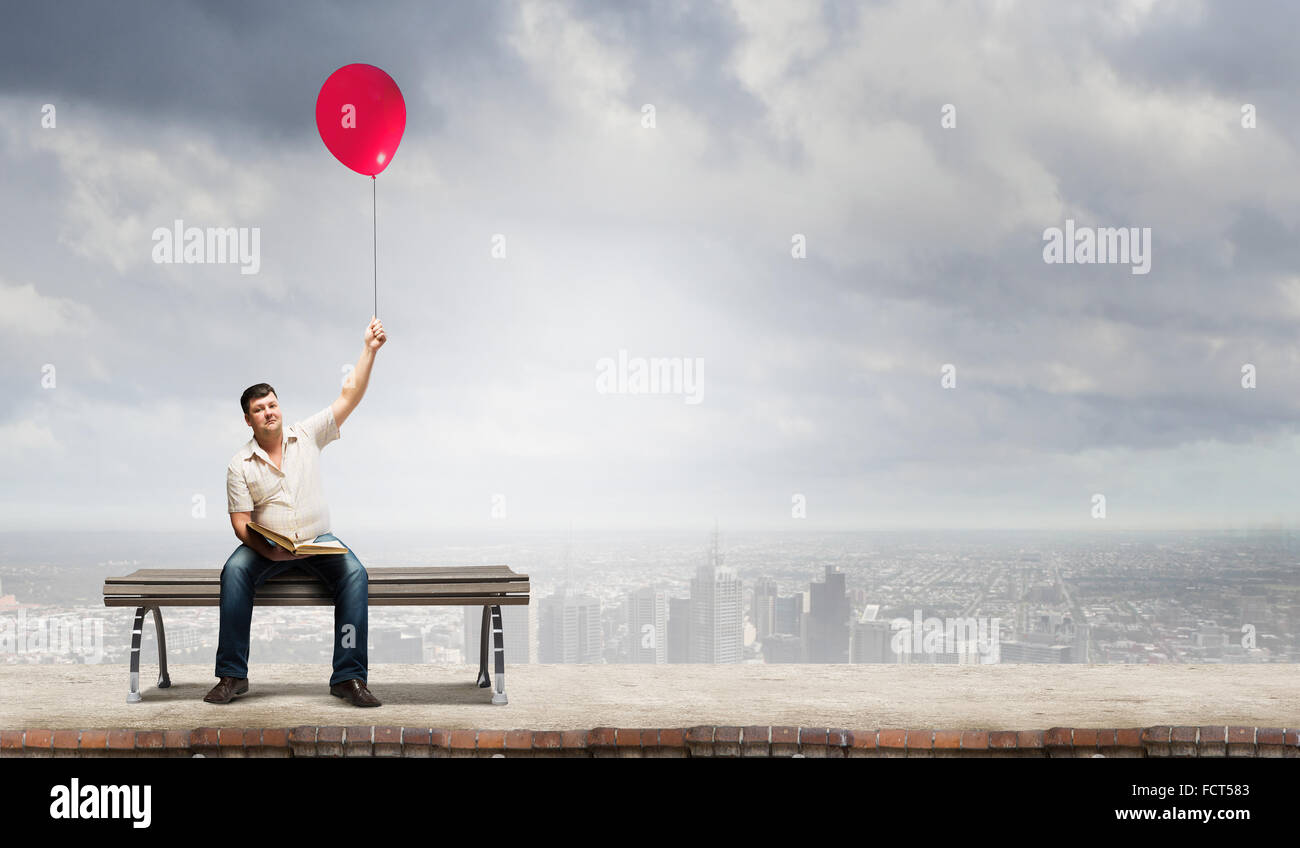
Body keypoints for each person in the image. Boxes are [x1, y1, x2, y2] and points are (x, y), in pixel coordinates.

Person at [205, 317, 387, 707]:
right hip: (265, 547)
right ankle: (231, 676)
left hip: (318, 541)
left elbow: (349, 394)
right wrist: (267, 549)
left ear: (279, 407)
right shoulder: (240, 463)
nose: (269, 412)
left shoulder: (307, 435)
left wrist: (369, 349)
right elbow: (240, 524)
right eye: (259, 409)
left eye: (272, 404)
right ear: (248, 419)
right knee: (233, 571)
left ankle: (348, 677)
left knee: (355, 574)